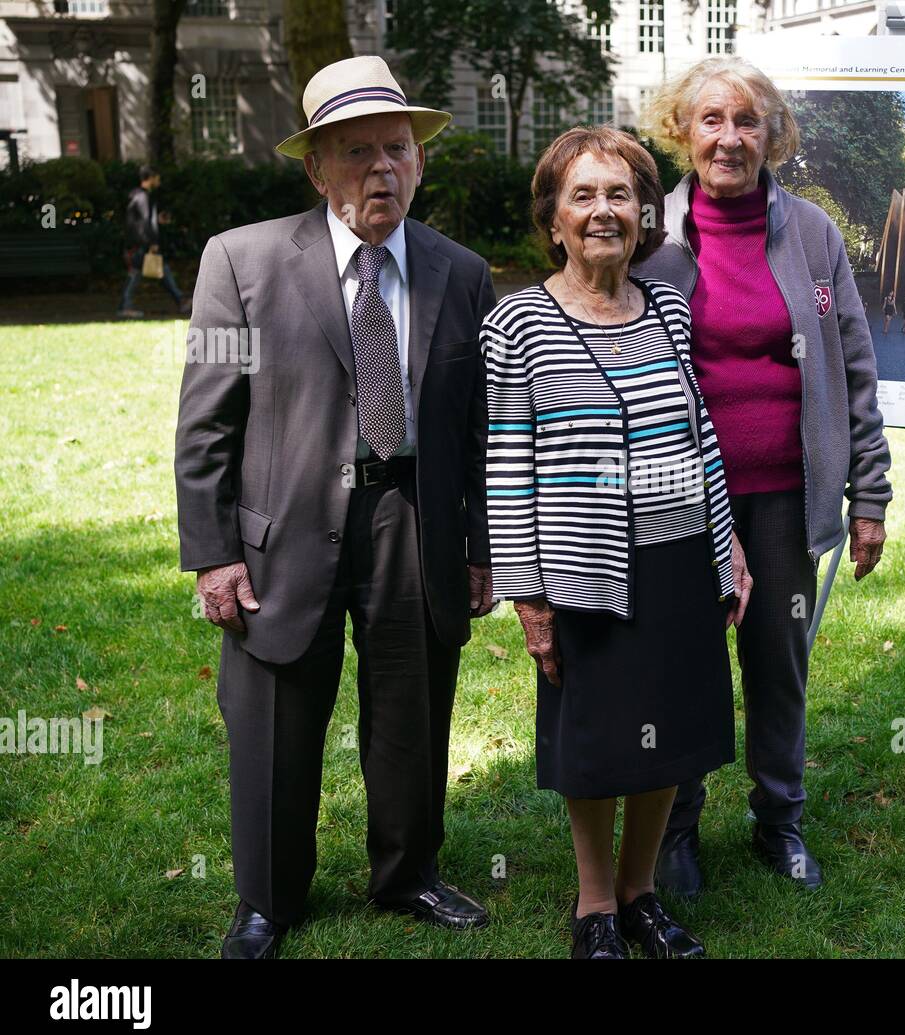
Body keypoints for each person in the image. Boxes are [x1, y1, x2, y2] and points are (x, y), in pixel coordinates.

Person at [175, 56, 496, 959]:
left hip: (414, 520)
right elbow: (205, 422)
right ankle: (268, 899)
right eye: (356, 153)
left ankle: (409, 873)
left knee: (412, 707)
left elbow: (474, 425)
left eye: (397, 148)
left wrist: (475, 543)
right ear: (316, 169)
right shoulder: (237, 262)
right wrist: (214, 551)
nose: (381, 169)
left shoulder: (461, 274)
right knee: (276, 713)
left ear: (420, 161)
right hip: (279, 532)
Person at [483, 126, 754, 958]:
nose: (605, 211)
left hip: (680, 559)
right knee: (596, 743)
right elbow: (506, 465)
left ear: (644, 213)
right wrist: (528, 593)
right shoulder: (518, 321)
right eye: (584, 195)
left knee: (668, 734)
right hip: (584, 573)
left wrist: (728, 545)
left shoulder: (669, 305)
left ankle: (641, 895)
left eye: (621, 194)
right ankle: (595, 904)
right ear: (554, 219)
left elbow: (700, 430)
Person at [638, 56, 892, 897]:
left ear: (771, 134)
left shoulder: (814, 235)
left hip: (785, 496)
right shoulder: (652, 237)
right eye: (712, 120)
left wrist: (870, 496)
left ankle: (779, 819)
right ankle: (675, 828)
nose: (730, 137)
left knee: (778, 664)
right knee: (684, 663)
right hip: (683, 499)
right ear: (682, 130)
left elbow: (854, 364)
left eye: (748, 121)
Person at [118, 164, 189, 319]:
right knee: (137, 274)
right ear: (150, 178)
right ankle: (125, 306)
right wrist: (152, 242)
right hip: (140, 244)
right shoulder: (143, 197)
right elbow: (144, 222)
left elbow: (141, 220)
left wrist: (157, 220)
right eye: (157, 177)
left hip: (137, 243)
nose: (159, 180)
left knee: (161, 271)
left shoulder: (138, 196)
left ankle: (181, 300)